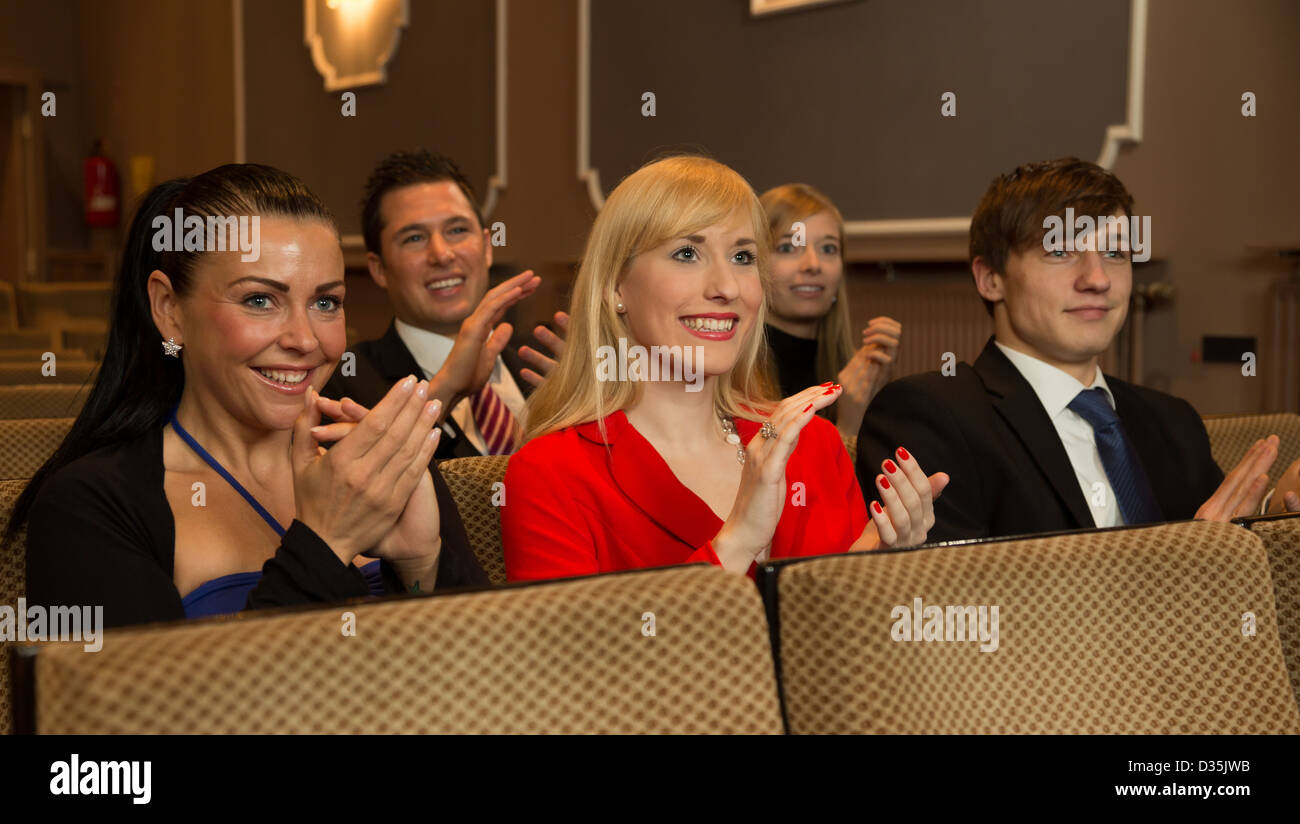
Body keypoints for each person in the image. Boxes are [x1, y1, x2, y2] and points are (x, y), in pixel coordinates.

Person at [9, 164, 487, 629]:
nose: (304, 339)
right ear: (169, 309)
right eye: (260, 300)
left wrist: (422, 566)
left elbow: (494, 687)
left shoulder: (377, 468)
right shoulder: (93, 505)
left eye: (326, 303)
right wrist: (325, 542)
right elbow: (154, 710)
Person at [501, 156, 947, 581]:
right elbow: (582, 661)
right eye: (686, 254)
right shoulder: (550, 473)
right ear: (616, 286)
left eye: (742, 257)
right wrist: (737, 542)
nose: (727, 287)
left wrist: (875, 566)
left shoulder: (813, 444)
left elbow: (845, 649)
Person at [856, 157, 1300, 543]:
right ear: (991, 278)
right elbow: (958, 607)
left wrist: (1275, 524)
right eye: (1061, 251)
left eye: (1115, 253)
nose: (1098, 278)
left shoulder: (1173, 422)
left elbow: (1228, 559)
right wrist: (1187, 565)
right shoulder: (930, 415)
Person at [324, 149, 567, 459]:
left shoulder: (545, 362)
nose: (442, 254)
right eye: (414, 238)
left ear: (487, 247)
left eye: (457, 230)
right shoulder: (345, 382)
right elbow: (355, 487)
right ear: (379, 269)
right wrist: (445, 389)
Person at [759, 183, 901, 439]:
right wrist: (848, 427)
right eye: (788, 248)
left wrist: (879, 399)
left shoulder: (852, 372)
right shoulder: (733, 376)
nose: (813, 265)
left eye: (827, 249)